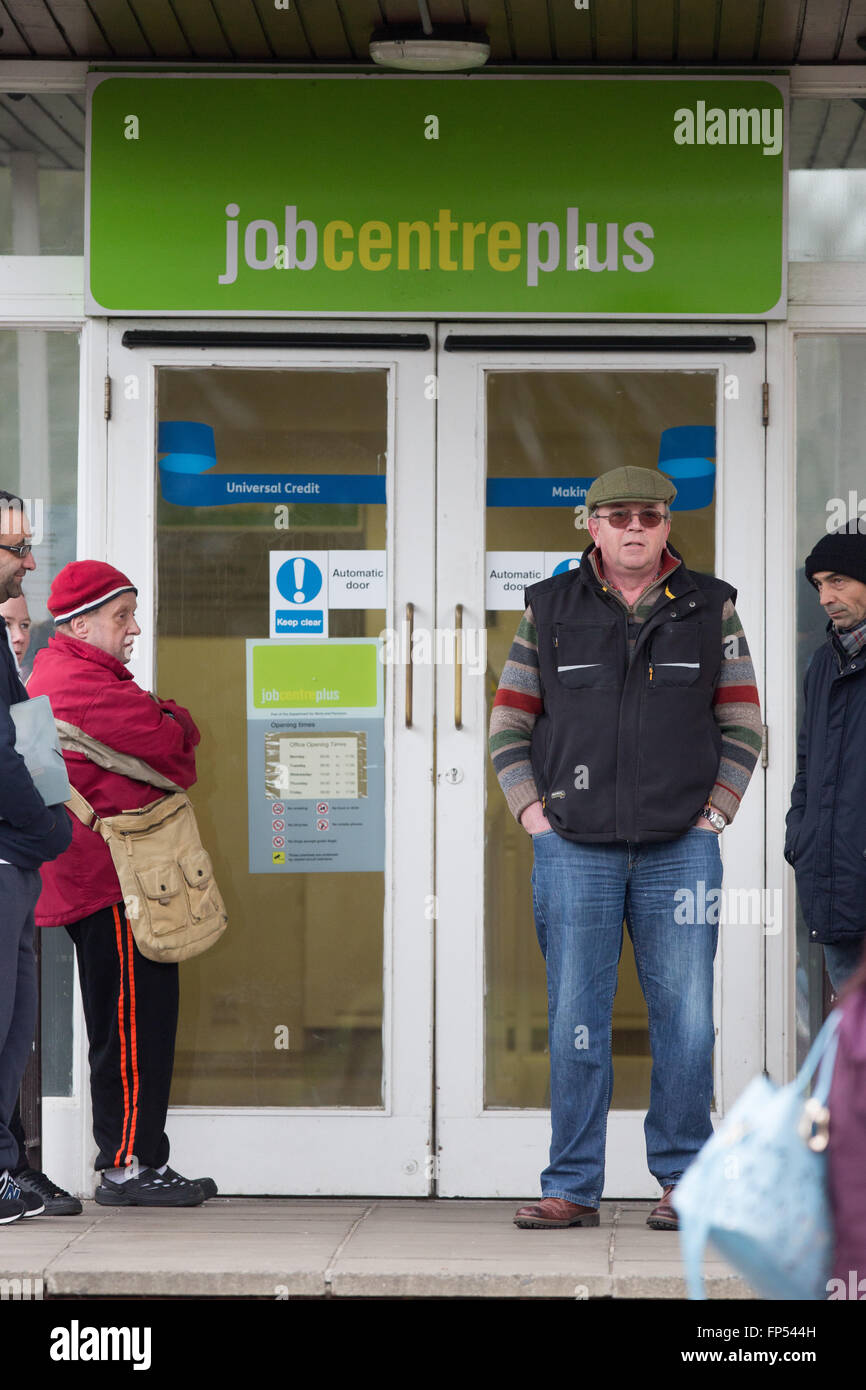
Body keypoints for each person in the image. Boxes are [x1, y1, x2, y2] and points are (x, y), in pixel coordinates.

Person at [489, 466, 761, 1230]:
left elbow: (743, 721)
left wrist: (716, 813)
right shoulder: (550, 608)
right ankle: (571, 1186)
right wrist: (534, 816)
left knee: (687, 1021)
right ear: (591, 525)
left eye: (649, 514)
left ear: (668, 524)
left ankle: (684, 1181)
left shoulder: (713, 608)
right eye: (618, 516)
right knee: (577, 1017)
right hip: (574, 848)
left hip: (682, 847)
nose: (634, 527)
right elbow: (509, 723)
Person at [29, 560, 216, 1206]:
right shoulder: (87, 684)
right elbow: (174, 746)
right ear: (80, 625)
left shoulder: (64, 673)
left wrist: (161, 714)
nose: (133, 629)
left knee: (126, 1020)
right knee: (135, 1025)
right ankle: (129, 1165)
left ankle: (134, 1157)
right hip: (115, 882)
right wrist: (168, 715)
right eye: (121, 617)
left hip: (100, 880)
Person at [0, 491, 73, 1223]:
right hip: (9, 854)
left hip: (16, 860)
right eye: (15, 548)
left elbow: (26, 746)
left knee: (14, 1023)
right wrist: (51, 832)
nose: (28, 561)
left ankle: (8, 1167)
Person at [785, 523, 866, 994]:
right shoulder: (822, 662)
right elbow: (805, 762)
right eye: (819, 585)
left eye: (838, 581)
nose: (824, 597)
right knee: (855, 1050)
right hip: (834, 882)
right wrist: (801, 836)